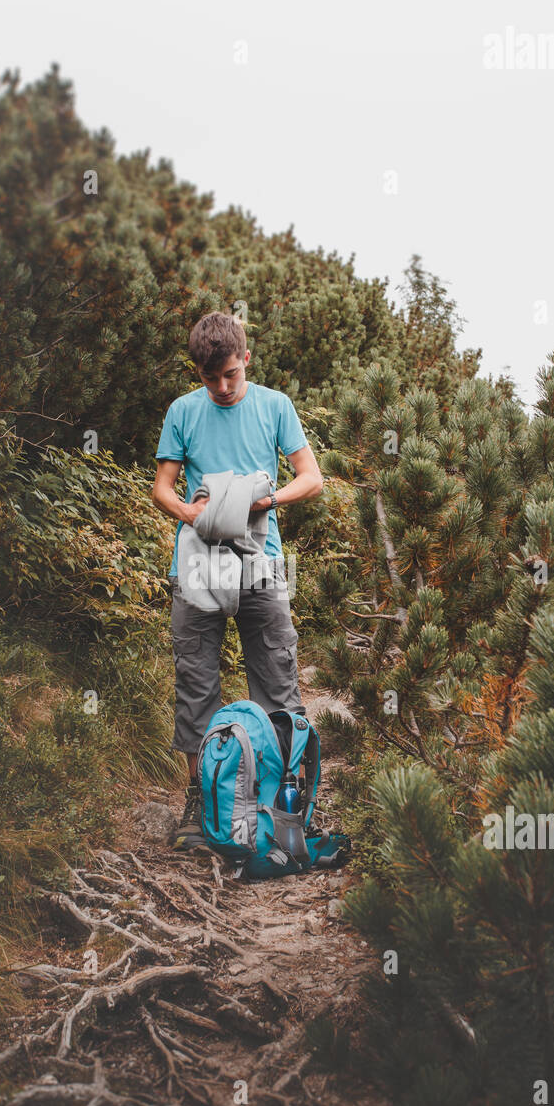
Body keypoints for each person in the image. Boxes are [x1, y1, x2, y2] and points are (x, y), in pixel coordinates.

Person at [152, 311, 324, 844]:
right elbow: (162, 487)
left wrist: (263, 500)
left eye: (231, 373)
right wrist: (191, 513)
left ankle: (283, 808)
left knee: (277, 682)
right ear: (198, 371)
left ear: (245, 358)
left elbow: (312, 478)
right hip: (198, 563)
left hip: (261, 562)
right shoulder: (182, 411)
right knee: (196, 685)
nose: (223, 387)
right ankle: (203, 809)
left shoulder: (276, 406)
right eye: (211, 378)